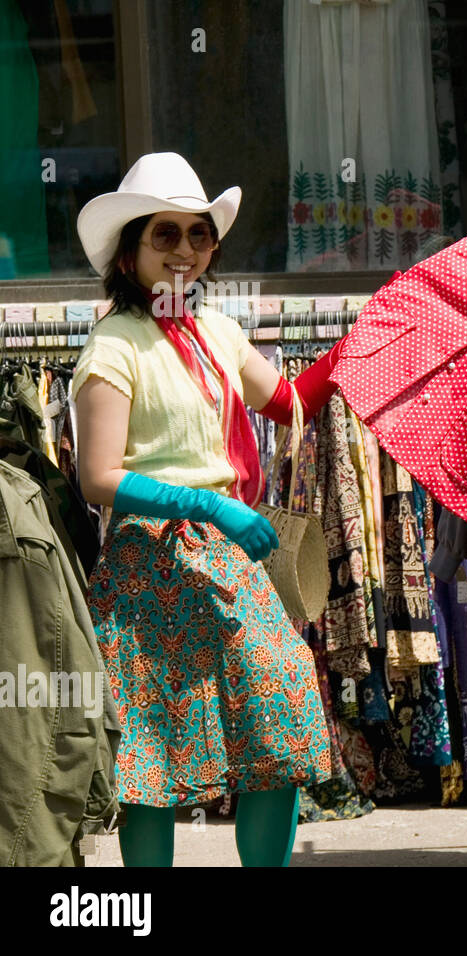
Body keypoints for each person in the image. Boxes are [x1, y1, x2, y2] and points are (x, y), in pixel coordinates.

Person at [70, 152, 347, 867]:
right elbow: (98, 477)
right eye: (166, 235)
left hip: (227, 561)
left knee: (282, 728)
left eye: (198, 235)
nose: (186, 251)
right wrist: (207, 505)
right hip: (147, 567)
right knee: (154, 760)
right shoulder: (111, 347)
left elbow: (288, 404)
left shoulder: (218, 332)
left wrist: (362, 341)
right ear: (129, 256)